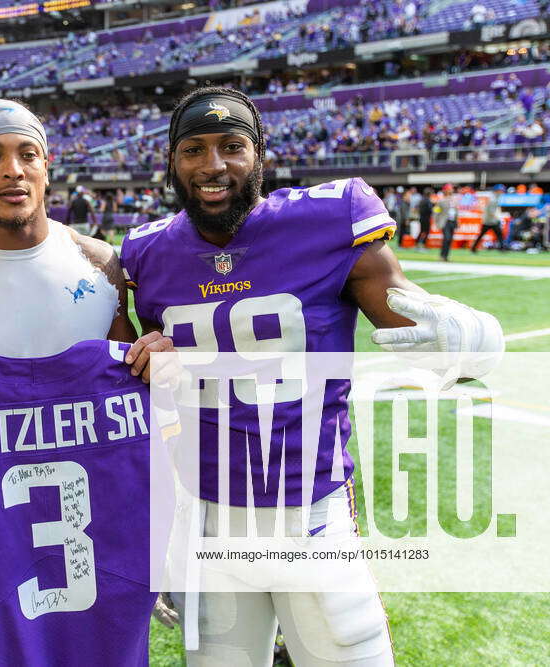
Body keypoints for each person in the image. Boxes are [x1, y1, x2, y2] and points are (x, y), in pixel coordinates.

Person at [121, 87, 504, 666]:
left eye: (231, 147)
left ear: (261, 157)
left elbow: (414, 318)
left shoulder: (329, 218)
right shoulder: (146, 255)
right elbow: (153, 393)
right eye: (193, 150)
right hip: (207, 516)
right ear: (173, 162)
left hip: (313, 515)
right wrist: (165, 531)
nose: (213, 165)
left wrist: (473, 342)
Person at [0, 98, 172, 667]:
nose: (12, 171)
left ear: (47, 164)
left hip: (100, 539)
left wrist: (157, 358)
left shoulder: (103, 268)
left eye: (26, 154)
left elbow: (143, 383)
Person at [471, 184, 506, 252]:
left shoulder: (495, 197)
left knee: (499, 235)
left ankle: (502, 248)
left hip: (490, 220)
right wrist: (498, 218)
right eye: (500, 191)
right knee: (498, 235)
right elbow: (491, 211)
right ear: (497, 191)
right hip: (490, 221)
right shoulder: (493, 199)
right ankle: (473, 248)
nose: (502, 192)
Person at [436, 183, 458, 261]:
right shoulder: (441, 200)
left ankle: (446, 256)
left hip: (452, 221)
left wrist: (457, 221)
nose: (451, 190)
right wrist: (437, 223)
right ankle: (442, 255)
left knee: (450, 239)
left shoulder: (454, 200)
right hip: (445, 222)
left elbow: (456, 212)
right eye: (449, 189)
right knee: (447, 238)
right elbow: (436, 212)